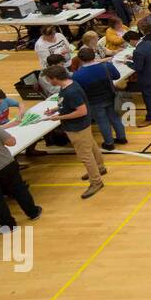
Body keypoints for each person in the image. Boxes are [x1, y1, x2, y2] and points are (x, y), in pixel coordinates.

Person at [42, 65, 106, 200]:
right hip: (81, 125)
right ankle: (100, 167)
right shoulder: (68, 85)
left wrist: (59, 117)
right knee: (92, 146)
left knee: (85, 156)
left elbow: (81, 111)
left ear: (54, 78)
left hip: (77, 127)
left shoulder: (71, 91)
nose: (47, 81)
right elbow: (68, 104)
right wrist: (55, 109)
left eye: (48, 79)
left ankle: (96, 182)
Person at [71, 48, 126, 151]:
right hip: (110, 96)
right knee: (115, 117)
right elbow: (116, 76)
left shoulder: (77, 75)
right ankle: (122, 138)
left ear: (80, 59)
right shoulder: (106, 66)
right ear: (94, 56)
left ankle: (109, 143)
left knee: (102, 121)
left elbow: (79, 90)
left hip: (93, 101)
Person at [124, 30, 151, 124]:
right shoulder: (148, 43)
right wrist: (134, 58)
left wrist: (127, 63)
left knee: (148, 97)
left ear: (131, 40)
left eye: (128, 42)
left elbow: (137, 67)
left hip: (147, 77)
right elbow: (148, 56)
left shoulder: (138, 51)